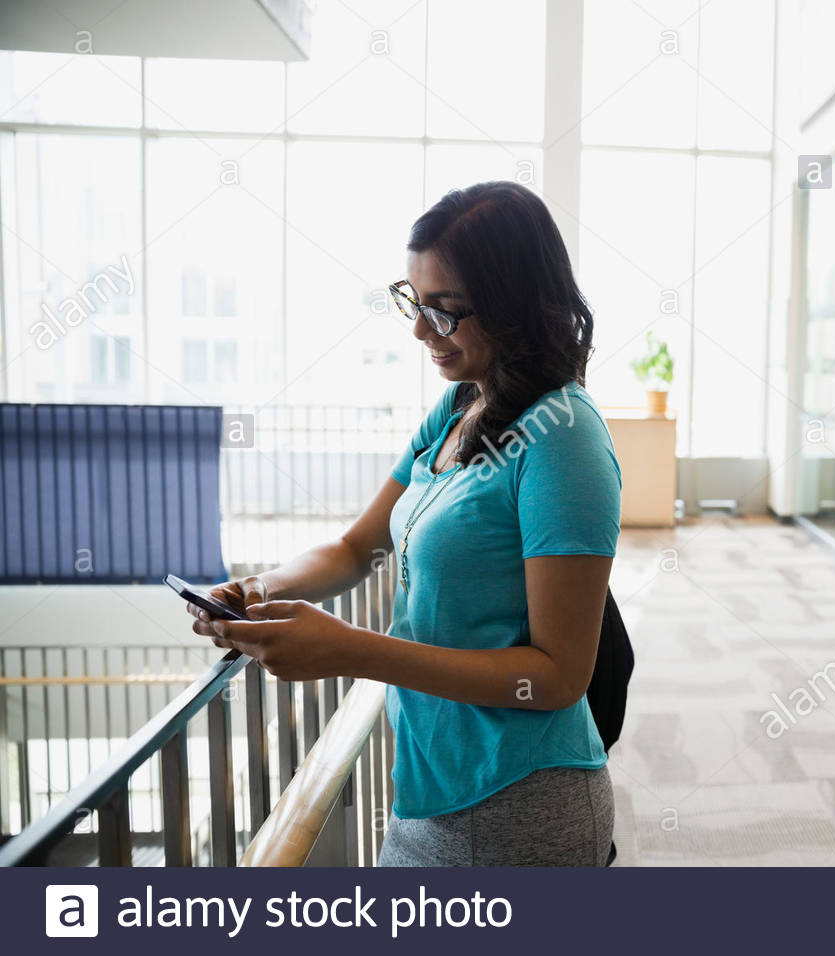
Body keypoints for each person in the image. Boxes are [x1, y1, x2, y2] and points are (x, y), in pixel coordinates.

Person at [188, 181, 621, 866]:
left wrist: (354, 650)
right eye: (414, 303)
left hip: (515, 802)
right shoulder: (461, 406)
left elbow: (559, 676)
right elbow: (358, 545)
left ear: (514, 308)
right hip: (432, 782)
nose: (420, 330)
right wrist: (258, 591)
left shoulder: (564, 439)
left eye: (445, 311)